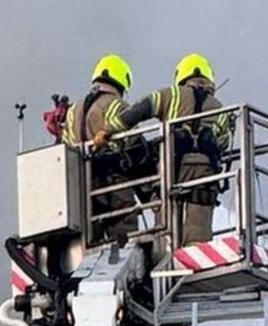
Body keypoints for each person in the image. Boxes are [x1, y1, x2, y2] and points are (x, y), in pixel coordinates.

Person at [98, 53, 232, 245]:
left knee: (166, 231)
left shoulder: (171, 95)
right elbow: (223, 144)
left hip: (171, 168)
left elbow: (139, 110)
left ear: (182, 77)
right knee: (198, 231)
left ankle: (167, 254)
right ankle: (196, 259)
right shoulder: (221, 109)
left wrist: (107, 130)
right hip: (204, 173)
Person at [65, 54, 138, 243]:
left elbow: (65, 143)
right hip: (113, 183)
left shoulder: (73, 109)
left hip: (81, 184)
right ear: (122, 80)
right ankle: (121, 253)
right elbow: (133, 142)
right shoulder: (117, 104)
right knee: (124, 230)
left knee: (92, 237)